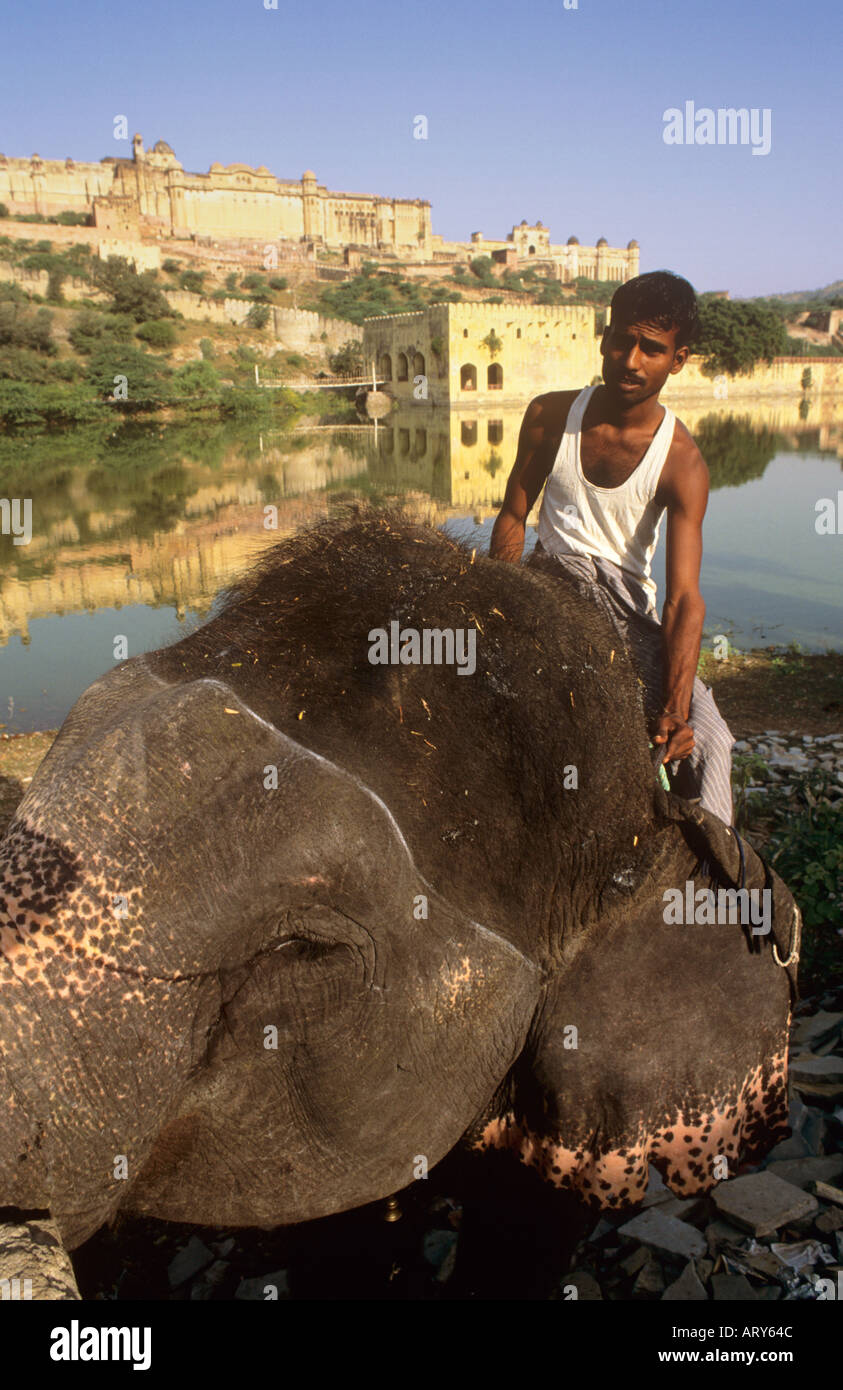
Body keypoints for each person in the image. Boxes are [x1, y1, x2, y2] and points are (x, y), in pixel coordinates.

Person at [489, 269, 735, 825]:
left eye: (652, 348)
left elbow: (683, 599)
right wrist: (495, 607)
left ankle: (721, 886)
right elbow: (512, 516)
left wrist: (675, 707)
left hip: (627, 611)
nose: (631, 360)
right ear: (604, 338)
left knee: (713, 743)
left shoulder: (681, 461)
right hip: (549, 585)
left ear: (678, 359)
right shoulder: (551, 417)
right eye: (623, 340)